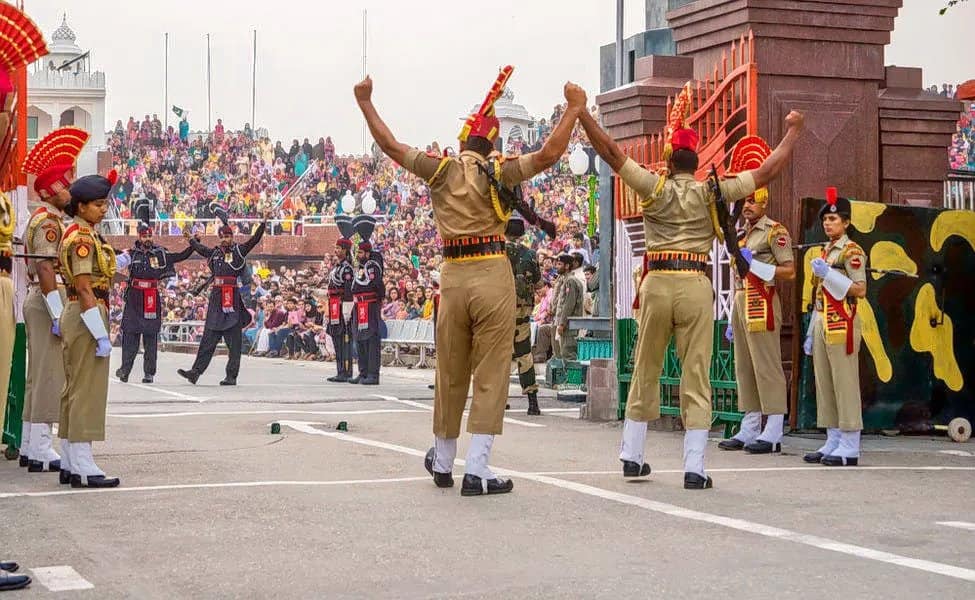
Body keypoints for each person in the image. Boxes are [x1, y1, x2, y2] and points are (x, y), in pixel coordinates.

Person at [355, 66, 584, 496]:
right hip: (492, 272)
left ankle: (443, 461)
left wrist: (365, 101)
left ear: (463, 140)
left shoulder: (440, 170)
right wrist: (573, 109)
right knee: (492, 371)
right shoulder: (503, 171)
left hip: (452, 276)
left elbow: (389, 145)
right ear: (492, 143)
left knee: (450, 370)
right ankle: (476, 470)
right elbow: (551, 153)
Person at [577, 82, 804, 489]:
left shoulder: (653, 186)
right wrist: (793, 131)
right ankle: (694, 466)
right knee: (696, 372)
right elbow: (768, 170)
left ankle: (632, 455)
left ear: (669, 160)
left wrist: (582, 114)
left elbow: (612, 154)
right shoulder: (712, 190)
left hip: (658, 282)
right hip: (696, 283)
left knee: (645, 365)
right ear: (696, 161)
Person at [717, 136, 795, 455]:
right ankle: (750, 426)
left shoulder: (775, 232)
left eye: (752, 201)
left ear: (764, 202)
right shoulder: (742, 233)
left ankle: (774, 428)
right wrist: (732, 314)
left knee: (767, 366)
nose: (746, 205)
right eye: (744, 201)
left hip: (763, 301)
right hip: (742, 302)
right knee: (744, 367)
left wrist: (759, 269)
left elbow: (789, 271)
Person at [20, 126, 89, 473]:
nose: (72, 191)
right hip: (49, 297)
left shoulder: (43, 218)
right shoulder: (49, 223)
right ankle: (42, 445)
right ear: (55, 190)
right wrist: (59, 313)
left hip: (38, 299)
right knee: (50, 375)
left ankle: (32, 443)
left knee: (38, 375)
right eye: (67, 184)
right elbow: (47, 270)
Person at [57, 170, 122, 488]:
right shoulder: (82, 239)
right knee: (88, 389)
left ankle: (70, 458)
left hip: (80, 310)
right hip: (87, 311)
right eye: (97, 205)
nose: (103, 209)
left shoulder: (83, 234)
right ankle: (83, 463)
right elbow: (84, 287)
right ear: (81, 206)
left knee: (73, 388)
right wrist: (99, 333)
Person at [802, 188, 867, 467]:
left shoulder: (851, 251)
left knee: (845, 383)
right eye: (826, 220)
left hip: (843, 322)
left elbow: (860, 289)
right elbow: (819, 296)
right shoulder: (825, 250)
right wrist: (809, 332)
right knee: (825, 383)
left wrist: (829, 275)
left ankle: (850, 444)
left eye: (834, 220)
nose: (828, 224)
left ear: (846, 223)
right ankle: (833, 437)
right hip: (822, 320)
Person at [178, 206, 267, 385]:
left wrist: (263, 223)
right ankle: (195, 372)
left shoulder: (239, 252)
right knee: (208, 339)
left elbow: (254, 240)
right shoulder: (215, 253)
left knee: (234, 343)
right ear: (220, 238)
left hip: (232, 299)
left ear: (232, 237)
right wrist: (190, 240)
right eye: (223, 237)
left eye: (228, 236)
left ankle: (231, 376)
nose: (225, 239)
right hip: (217, 299)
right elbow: (201, 249)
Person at [116, 200, 195, 384]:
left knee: (151, 337)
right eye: (144, 236)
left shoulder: (160, 253)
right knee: (130, 336)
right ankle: (125, 370)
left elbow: (180, 256)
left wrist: (193, 244)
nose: (147, 239)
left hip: (151, 298)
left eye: (149, 236)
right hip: (134, 298)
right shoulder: (132, 253)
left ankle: (149, 372)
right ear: (139, 236)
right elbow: (115, 258)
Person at [505, 216, 542, 415]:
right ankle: (532, 402)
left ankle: (498, 400)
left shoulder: (497, 252)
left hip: (500, 312)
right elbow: (539, 284)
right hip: (522, 312)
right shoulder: (530, 254)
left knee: (499, 356)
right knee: (524, 355)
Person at [349, 215, 383, 385]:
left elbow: (378, 285)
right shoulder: (361, 267)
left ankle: (373, 374)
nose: (359, 255)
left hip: (370, 305)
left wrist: (378, 303)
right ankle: (362, 372)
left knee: (371, 340)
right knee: (360, 338)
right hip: (359, 305)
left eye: (361, 252)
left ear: (368, 253)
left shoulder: (372, 266)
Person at [325, 215, 355, 383]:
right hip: (334, 305)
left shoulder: (347, 269)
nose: (336, 251)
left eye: (338, 248)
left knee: (344, 340)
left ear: (345, 250)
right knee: (336, 339)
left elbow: (348, 290)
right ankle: (339, 370)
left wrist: (347, 309)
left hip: (343, 306)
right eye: (335, 248)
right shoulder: (337, 267)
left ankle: (346, 370)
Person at [553, 253, 584, 360]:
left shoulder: (571, 281)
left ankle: (572, 377)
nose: (557, 266)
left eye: (559, 264)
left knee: (568, 354)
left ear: (567, 266)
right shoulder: (564, 279)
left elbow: (568, 305)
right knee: (562, 354)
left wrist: (562, 323)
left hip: (569, 325)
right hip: (566, 324)